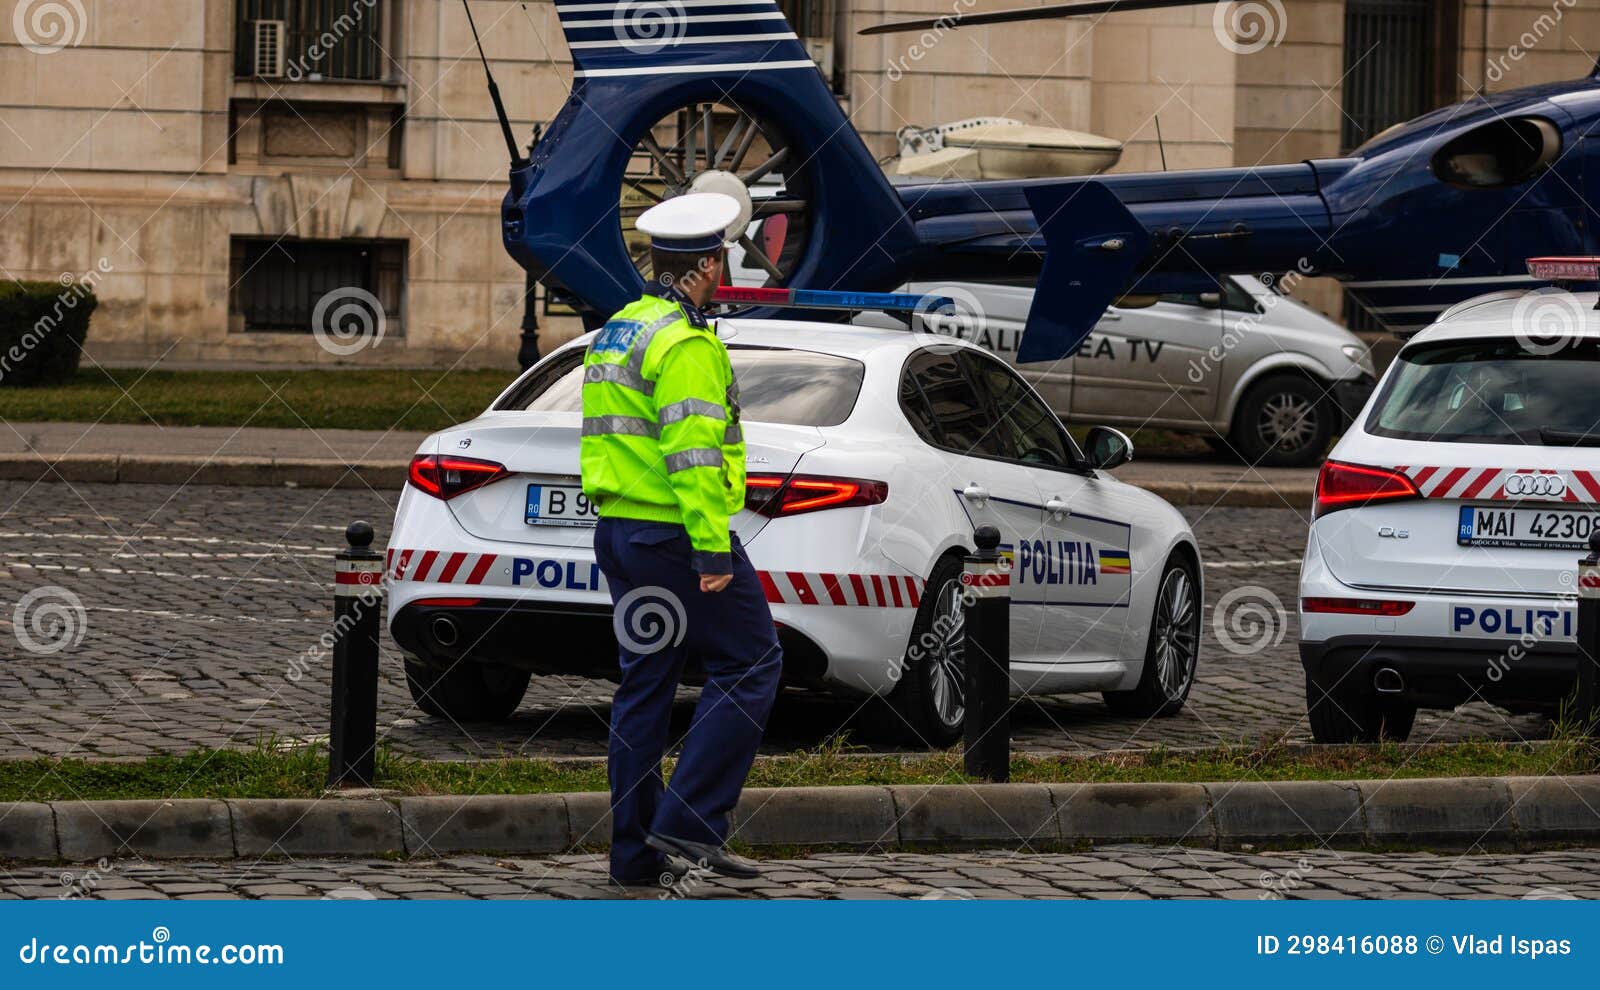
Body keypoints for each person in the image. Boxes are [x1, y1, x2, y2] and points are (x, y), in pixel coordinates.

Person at [580, 191, 782, 886]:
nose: (723, 270)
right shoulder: (686, 344)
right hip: (675, 536)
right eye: (720, 258)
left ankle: (634, 856)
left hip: (623, 535)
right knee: (753, 662)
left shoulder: (622, 329)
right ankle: (693, 822)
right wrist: (711, 549)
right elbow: (692, 454)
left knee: (646, 688)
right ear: (703, 267)